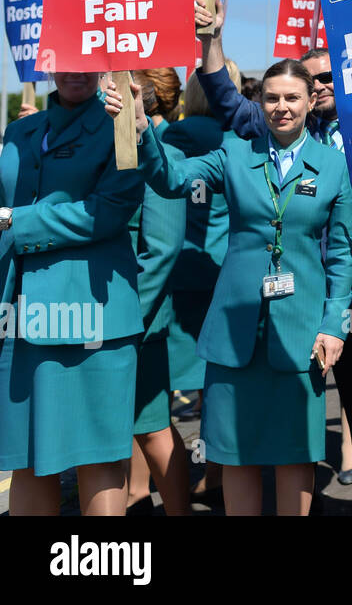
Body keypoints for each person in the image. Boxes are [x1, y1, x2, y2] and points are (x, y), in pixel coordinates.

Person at [106, 60, 352, 516]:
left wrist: (335, 326)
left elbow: (342, 254)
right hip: (233, 327)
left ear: (308, 102)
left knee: (294, 452)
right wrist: (140, 129)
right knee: (232, 452)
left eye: (292, 98)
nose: (282, 108)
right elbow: (171, 179)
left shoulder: (334, 164)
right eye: (272, 98)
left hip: (301, 331)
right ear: (259, 103)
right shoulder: (233, 153)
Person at [194, 0, 352, 515]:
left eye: (327, 77)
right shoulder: (266, 131)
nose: (321, 85)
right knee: (279, 434)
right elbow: (223, 97)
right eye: (312, 78)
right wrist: (213, 41)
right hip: (298, 302)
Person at [0, 71, 146, 516]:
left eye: (86, 62)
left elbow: (111, 209)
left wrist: (14, 221)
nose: (74, 73)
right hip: (19, 318)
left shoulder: (119, 125)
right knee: (26, 458)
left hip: (92, 317)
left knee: (98, 456)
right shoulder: (20, 129)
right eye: (63, 60)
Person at [162, 62, 244, 505]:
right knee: (221, 383)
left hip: (179, 273)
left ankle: (162, 476)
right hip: (228, 273)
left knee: (160, 390)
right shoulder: (243, 140)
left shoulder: (173, 137)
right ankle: (217, 473)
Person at [126, 68, 192, 516]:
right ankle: (133, 498)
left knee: (151, 428)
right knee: (131, 427)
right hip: (105, 322)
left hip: (137, 322)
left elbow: (162, 250)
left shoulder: (161, 155)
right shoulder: (112, 153)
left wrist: (127, 320)